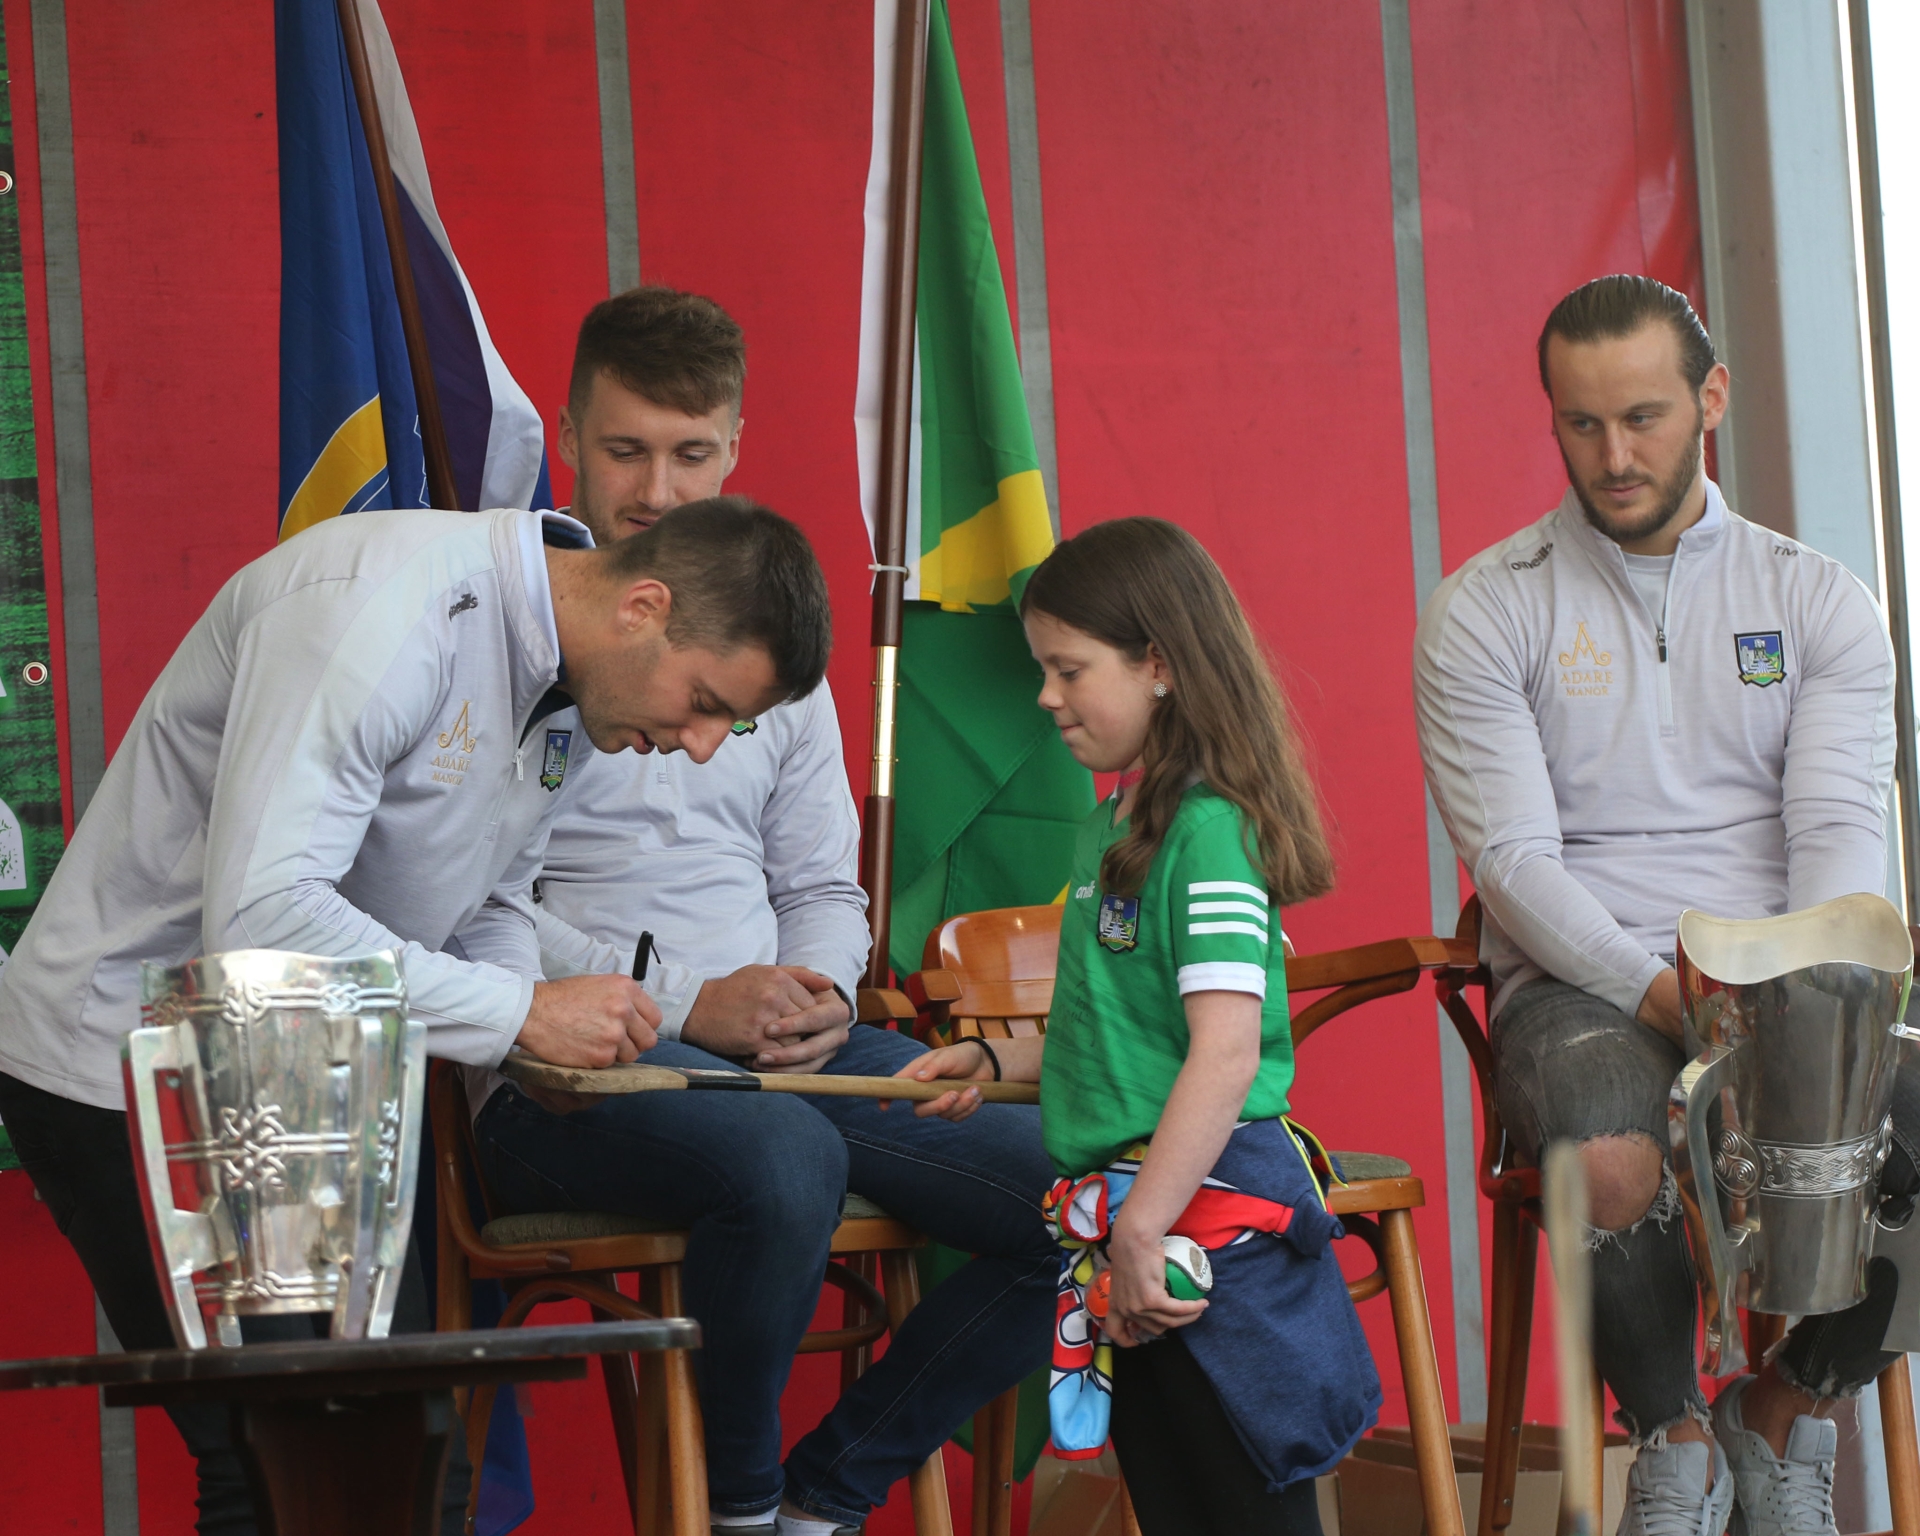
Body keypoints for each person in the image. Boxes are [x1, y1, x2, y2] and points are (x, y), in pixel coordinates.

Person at [0, 495, 831, 1536]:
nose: (704, 746)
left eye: (732, 723)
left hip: (298, 1055)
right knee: (281, 1471)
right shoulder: (383, 613)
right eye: (705, 700)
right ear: (644, 606)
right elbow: (263, 917)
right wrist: (519, 1014)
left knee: (393, 1472)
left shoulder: (577, 685)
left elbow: (493, 897)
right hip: (134, 1051)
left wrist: (532, 1019)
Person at [467, 286, 1058, 1536]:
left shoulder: (779, 641)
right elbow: (476, 904)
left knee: (1084, 1193)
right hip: (569, 1063)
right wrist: (692, 1002)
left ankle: (821, 1499)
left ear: (734, 446)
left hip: (796, 1051)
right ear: (571, 430)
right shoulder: (519, 628)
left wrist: (821, 995)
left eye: (691, 454)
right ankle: (737, 1514)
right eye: (626, 450)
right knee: (786, 1162)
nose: (658, 491)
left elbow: (825, 887)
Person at [1414, 274, 1912, 1536]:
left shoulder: (1819, 601)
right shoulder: (1487, 606)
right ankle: (1674, 1438)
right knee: (1609, 1149)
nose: (1614, 454)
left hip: (1787, 982)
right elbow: (1514, 862)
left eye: (1642, 417)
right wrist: (1661, 993)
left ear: (1713, 401)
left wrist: (1794, 1013)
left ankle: (1788, 1408)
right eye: (1581, 424)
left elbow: (1841, 839)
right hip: (1589, 987)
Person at [899, 517, 1381, 1536]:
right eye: (1043, 669)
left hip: (1199, 1224)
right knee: (1172, 1503)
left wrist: (1145, 1227)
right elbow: (1119, 1034)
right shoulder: (1111, 828)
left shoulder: (1210, 834)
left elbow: (1225, 1048)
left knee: (1244, 1504)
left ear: (1157, 663)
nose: (1046, 696)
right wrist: (995, 1055)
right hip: (1137, 1215)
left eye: (1069, 670)